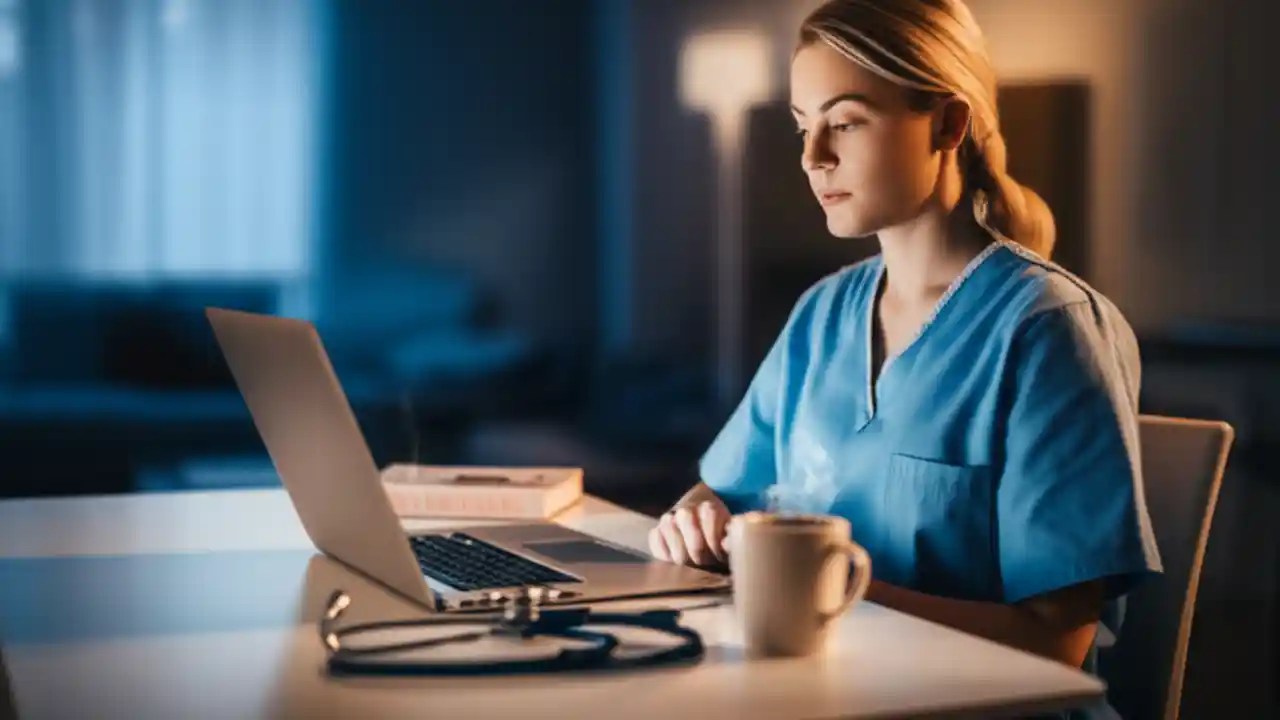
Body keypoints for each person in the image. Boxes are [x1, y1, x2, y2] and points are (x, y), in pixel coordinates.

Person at [648, 0, 1161, 712]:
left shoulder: (1047, 330)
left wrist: (833, 594)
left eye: (847, 122)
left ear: (948, 125)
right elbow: (723, 491)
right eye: (804, 126)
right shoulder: (822, 314)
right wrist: (691, 519)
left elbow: (1055, 644)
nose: (812, 157)